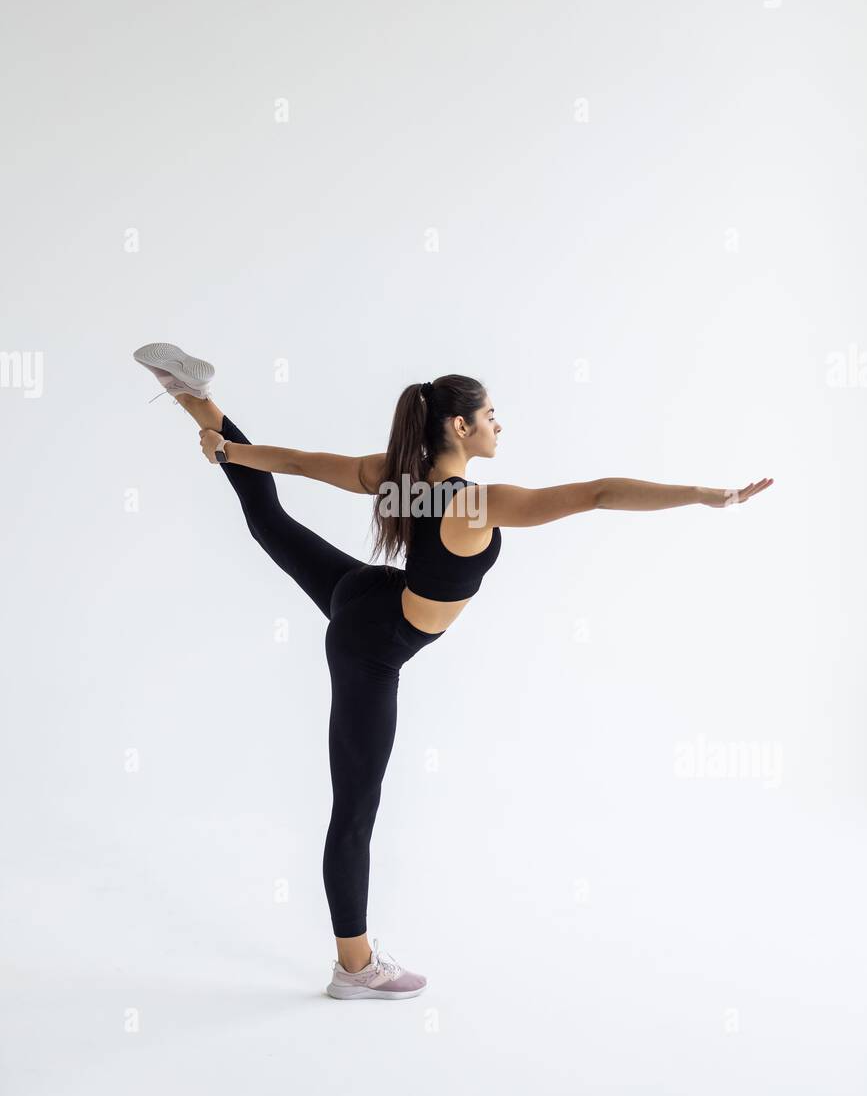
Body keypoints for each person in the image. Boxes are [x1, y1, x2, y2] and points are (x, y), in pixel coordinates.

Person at [133, 342, 773, 1000]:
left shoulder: (397, 476)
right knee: (355, 807)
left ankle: (192, 396)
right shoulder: (474, 506)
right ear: (460, 426)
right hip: (372, 643)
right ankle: (354, 968)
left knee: (269, 520)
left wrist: (229, 450)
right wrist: (705, 495)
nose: (499, 424)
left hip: (365, 594)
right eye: (491, 414)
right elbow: (598, 494)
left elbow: (295, 462)